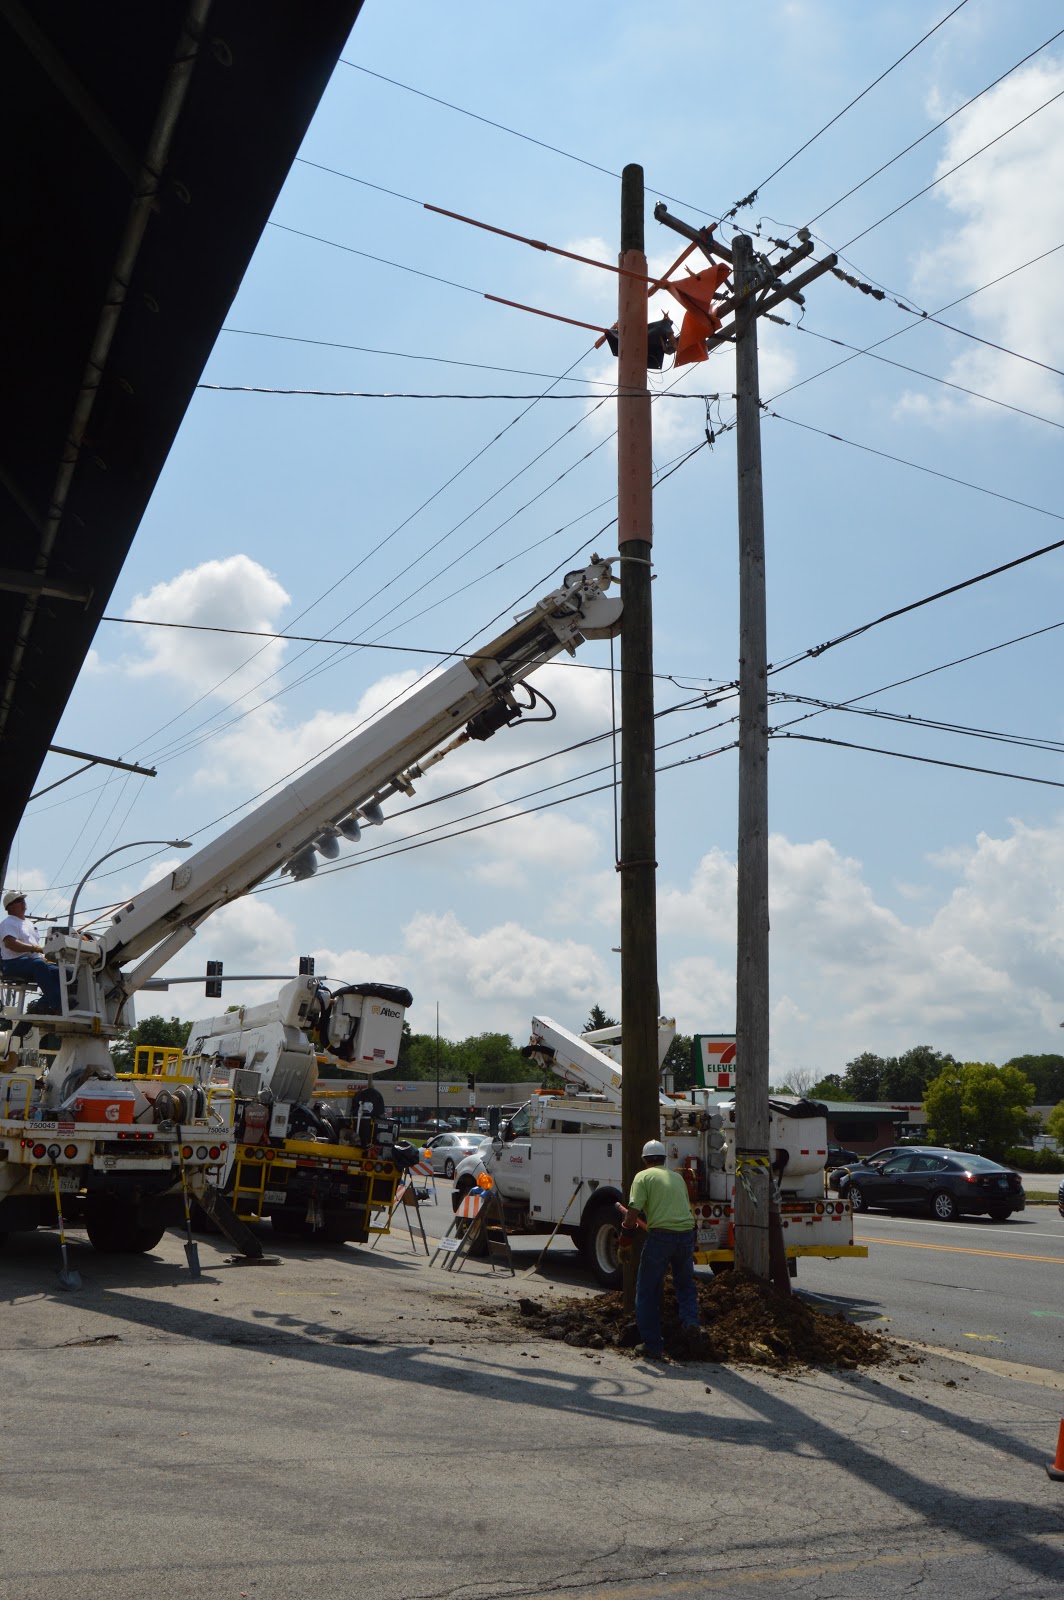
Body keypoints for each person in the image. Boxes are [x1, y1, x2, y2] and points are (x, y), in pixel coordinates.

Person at [617, 1138, 702, 1360]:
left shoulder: (643, 1177)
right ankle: (691, 1323)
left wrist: (625, 1237)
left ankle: (653, 1345)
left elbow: (633, 1211)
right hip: (686, 1234)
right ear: (664, 1159)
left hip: (661, 1237)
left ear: (645, 1159)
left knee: (646, 1290)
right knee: (685, 1285)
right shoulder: (677, 1177)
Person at [0, 890, 63, 1014]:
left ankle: (42, 1005)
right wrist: (34, 948)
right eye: (19, 900)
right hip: (12, 963)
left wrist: (44, 956)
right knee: (38, 965)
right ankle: (57, 1004)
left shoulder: (29, 924)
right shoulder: (9, 923)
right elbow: (10, 943)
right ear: (10, 907)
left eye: (23, 899)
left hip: (31, 962)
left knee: (66, 972)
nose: (23, 901)